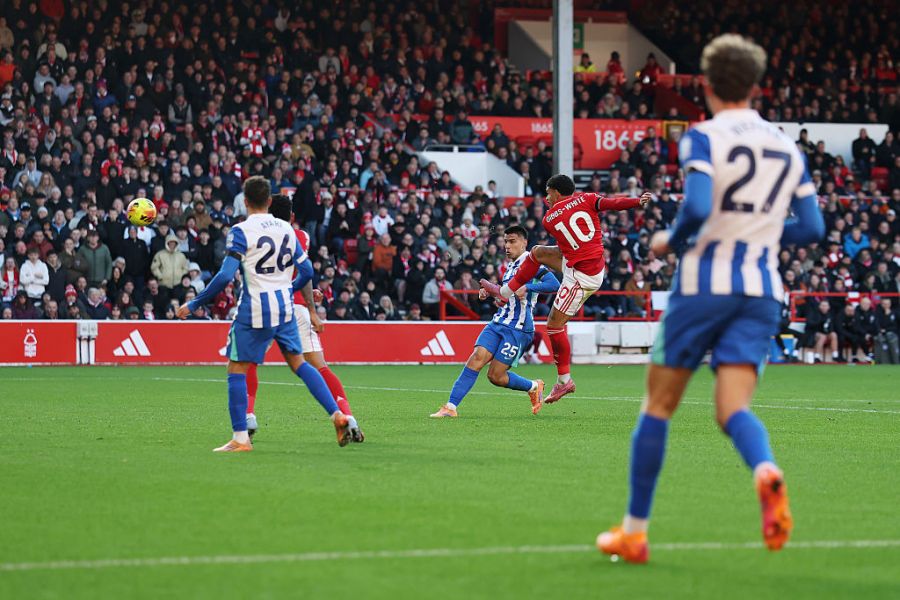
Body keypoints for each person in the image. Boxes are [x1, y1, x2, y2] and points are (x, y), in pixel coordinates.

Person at [597, 34, 825, 563]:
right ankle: (766, 471)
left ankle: (634, 532)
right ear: (755, 83)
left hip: (704, 286)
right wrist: (760, 234)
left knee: (658, 406)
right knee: (733, 409)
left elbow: (698, 208)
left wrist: (670, 241)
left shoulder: (702, 137)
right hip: (761, 291)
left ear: (706, 84)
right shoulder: (786, 145)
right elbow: (812, 227)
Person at [176, 176, 352, 452]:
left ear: (245, 201)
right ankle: (337, 415)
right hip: (284, 306)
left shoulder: (241, 230)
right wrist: (286, 288)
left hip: (255, 306)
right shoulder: (286, 229)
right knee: (300, 364)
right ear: (269, 201)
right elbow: (307, 272)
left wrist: (196, 303)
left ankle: (240, 438)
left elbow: (224, 277)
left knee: (237, 367)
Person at [480, 175, 651, 403]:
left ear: (557, 192)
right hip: (589, 263)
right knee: (538, 252)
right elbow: (613, 203)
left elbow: (566, 240)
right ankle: (506, 291)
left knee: (554, 326)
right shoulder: (588, 198)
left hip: (582, 277)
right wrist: (637, 201)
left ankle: (564, 381)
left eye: (549, 193)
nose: (546, 197)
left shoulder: (549, 218)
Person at [243, 194, 364, 442]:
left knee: (246, 363)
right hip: (294, 307)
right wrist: (311, 308)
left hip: (263, 305)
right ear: (293, 216)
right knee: (317, 366)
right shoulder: (300, 236)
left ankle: (248, 416)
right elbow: (305, 271)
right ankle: (347, 416)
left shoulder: (252, 233)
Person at [431, 225, 559, 418]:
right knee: (476, 358)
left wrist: (529, 288)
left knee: (495, 376)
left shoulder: (532, 264)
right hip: (498, 322)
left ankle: (533, 386)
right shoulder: (510, 266)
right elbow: (507, 297)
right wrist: (491, 293)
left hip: (518, 328)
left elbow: (554, 284)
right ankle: (450, 407)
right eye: (506, 241)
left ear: (525, 242)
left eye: (512, 241)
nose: (507, 245)